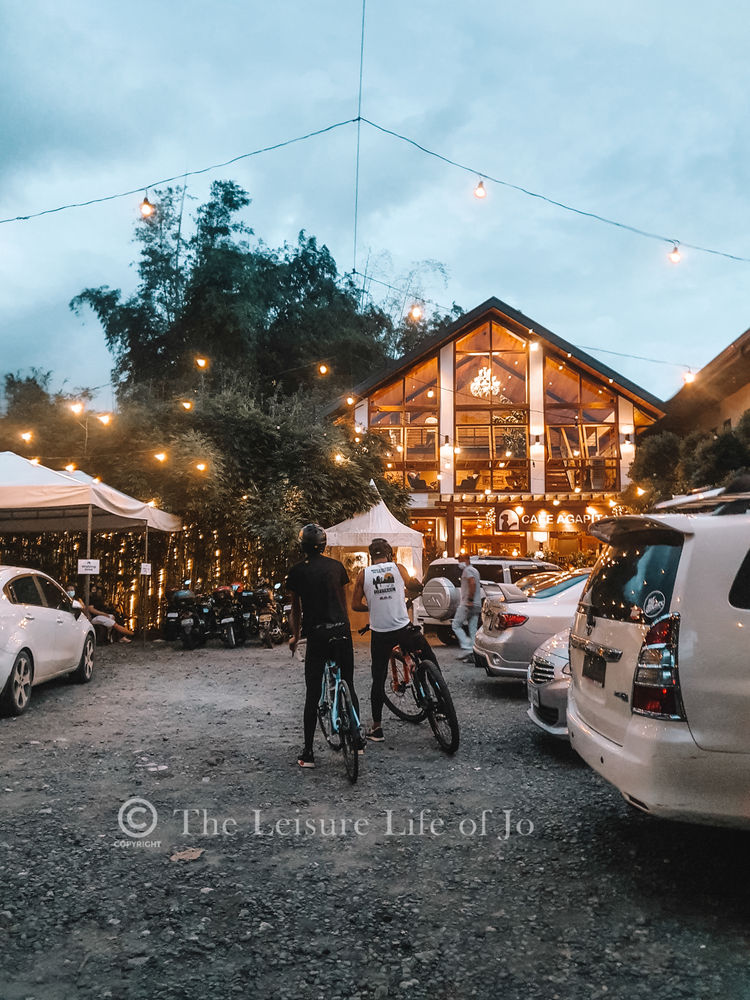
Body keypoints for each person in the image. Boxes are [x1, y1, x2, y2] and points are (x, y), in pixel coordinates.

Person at [286, 523, 361, 769]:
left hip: (317, 634)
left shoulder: (296, 572)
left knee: (313, 694)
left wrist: (295, 637)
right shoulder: (337, 567)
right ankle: (358, 738)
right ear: (324, 545)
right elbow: (342, 600)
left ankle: (308, 753)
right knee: (348, 682)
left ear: (303, 546)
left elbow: (296, 610)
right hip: (341, 630)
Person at [351, 537, 435, 743]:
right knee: (429, 657)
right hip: (403, 629)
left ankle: (377, 728)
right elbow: (413, 586)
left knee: (377, 679)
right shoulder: (398, 568)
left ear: (372, 557)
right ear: (389, 554)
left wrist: (374, 605)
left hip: (380, 634)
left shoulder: (364, 574)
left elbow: (355, 605)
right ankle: (440, 699)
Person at [67, 584, 134, 643]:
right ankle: (132, 634)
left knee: (115, 617)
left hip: (97, 615)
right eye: (69, 590)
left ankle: (120, 636)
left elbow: (84, 607)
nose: (97, 592)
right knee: (114, 624)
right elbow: (91, 609)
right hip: (94, 617)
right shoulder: (88, 598)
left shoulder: (79, 599)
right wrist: (104, 614)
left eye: (72, 590)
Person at [452, 553, 482, 660]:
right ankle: (474, 652)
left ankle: (467, 647)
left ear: (466, 559)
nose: (459, 562)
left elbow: (472, 583)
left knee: (456, 625)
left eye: (460, 559)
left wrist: (469, 599)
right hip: (477, 604)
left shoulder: (468, 571)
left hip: (467, 603)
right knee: (472, 628)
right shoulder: (475, 570)